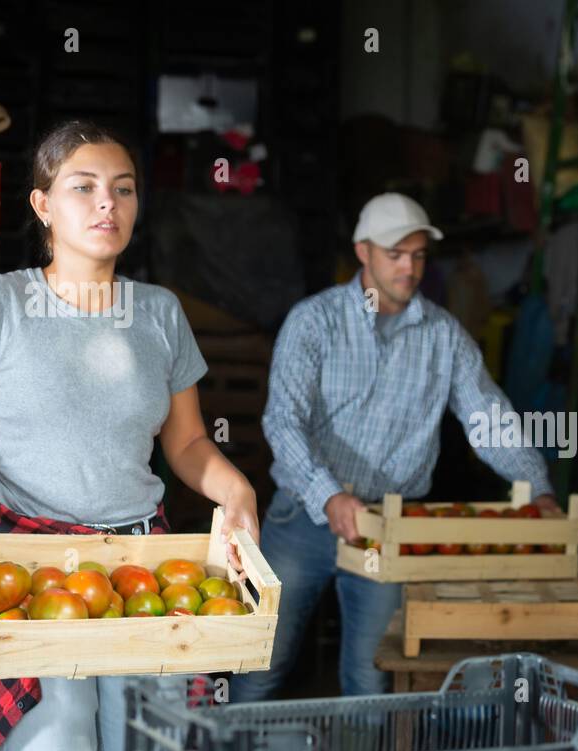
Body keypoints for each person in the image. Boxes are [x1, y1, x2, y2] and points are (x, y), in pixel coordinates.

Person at [0, 119, 260, 751]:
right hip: (30, 574)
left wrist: (237, 489)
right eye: (85, 187)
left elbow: (188, 446)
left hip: (147, 570)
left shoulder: (159, 314)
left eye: (123, 190)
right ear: (42, 206)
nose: (108, 205)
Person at [231, 193, 560, 701]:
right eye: (396, 254)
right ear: (363, 251)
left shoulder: (443, 336)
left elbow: (489, 422)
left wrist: (536, 486)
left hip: (390, 525)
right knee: (260, 664)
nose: (409, 268)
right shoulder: (314, 320)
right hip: (302, 519)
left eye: (419, 256)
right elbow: (283, 421)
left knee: (372, 676)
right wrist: (328, 494)